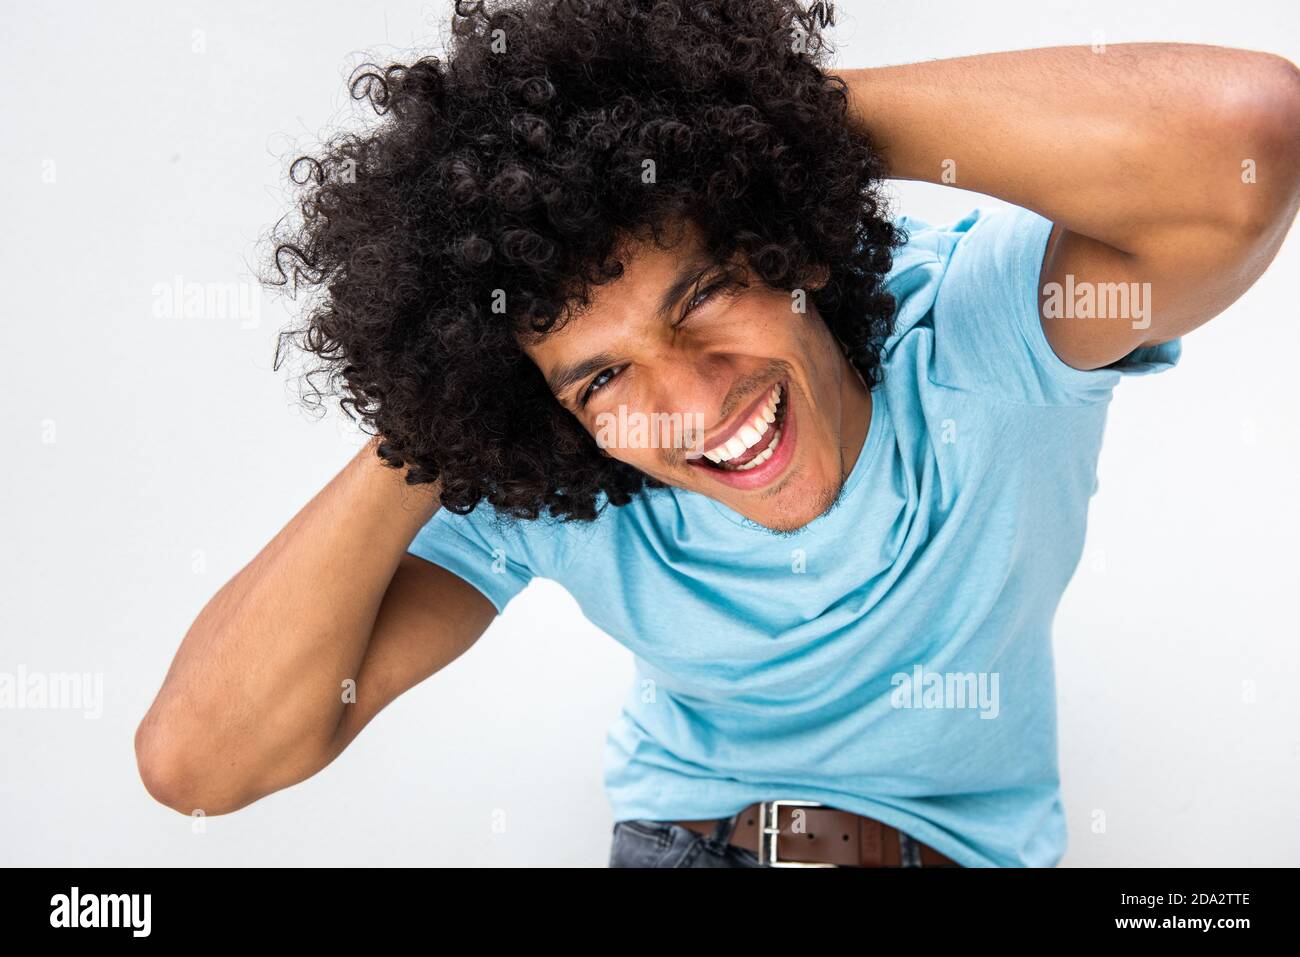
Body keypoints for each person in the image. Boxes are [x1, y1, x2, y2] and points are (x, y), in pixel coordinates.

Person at [134, 0, 1300, 867]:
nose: (695, 405)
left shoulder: (974, 341)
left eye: (699, 297)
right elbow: (200, 766)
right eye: (600, 375)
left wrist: (763, 122)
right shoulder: (562, 484)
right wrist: (441, 415)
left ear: (788, 246)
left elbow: (1250, 140)